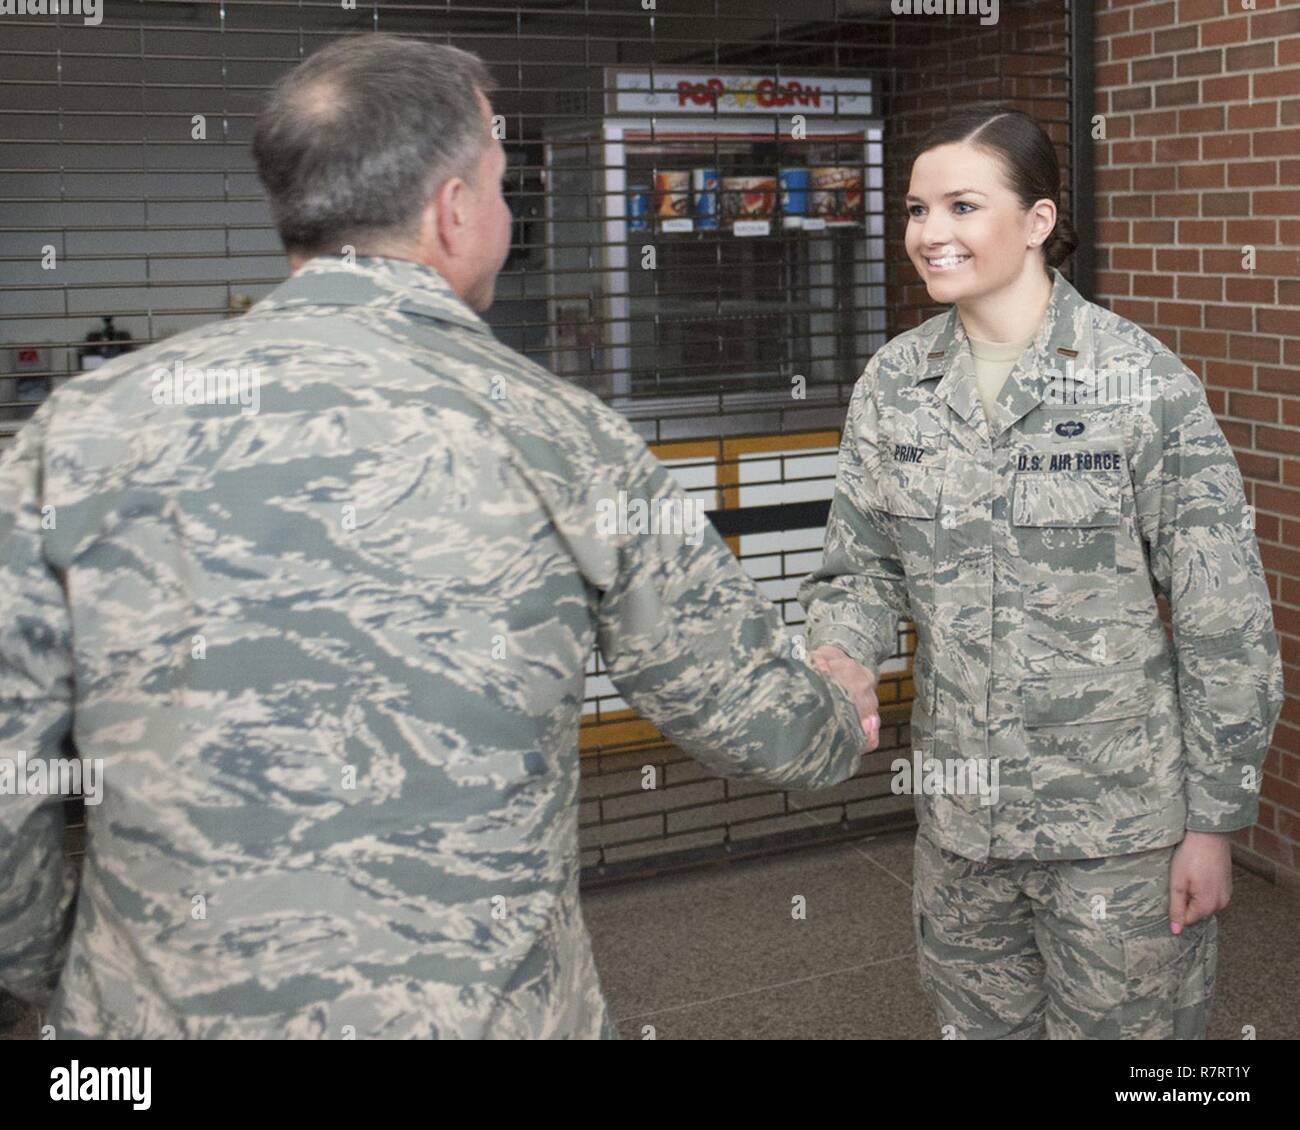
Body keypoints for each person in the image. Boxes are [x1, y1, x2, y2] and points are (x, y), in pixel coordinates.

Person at [0, 34, 881, 1039]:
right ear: (454, 212)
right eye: (502, 185)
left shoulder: (79, 428)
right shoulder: (563, 436)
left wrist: (59, 963)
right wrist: (833, 709)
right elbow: (757, 716)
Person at [800, 106, 1283, 1040]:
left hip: (1121, 838)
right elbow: (859, 569)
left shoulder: (1139, 382)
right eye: (914, 209)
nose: (930, 233)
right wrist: (843, 651)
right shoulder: (894, 386)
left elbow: (1224, 615)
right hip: (960, 835)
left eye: (962, 206)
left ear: (1035, 221)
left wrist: (1215, 822)